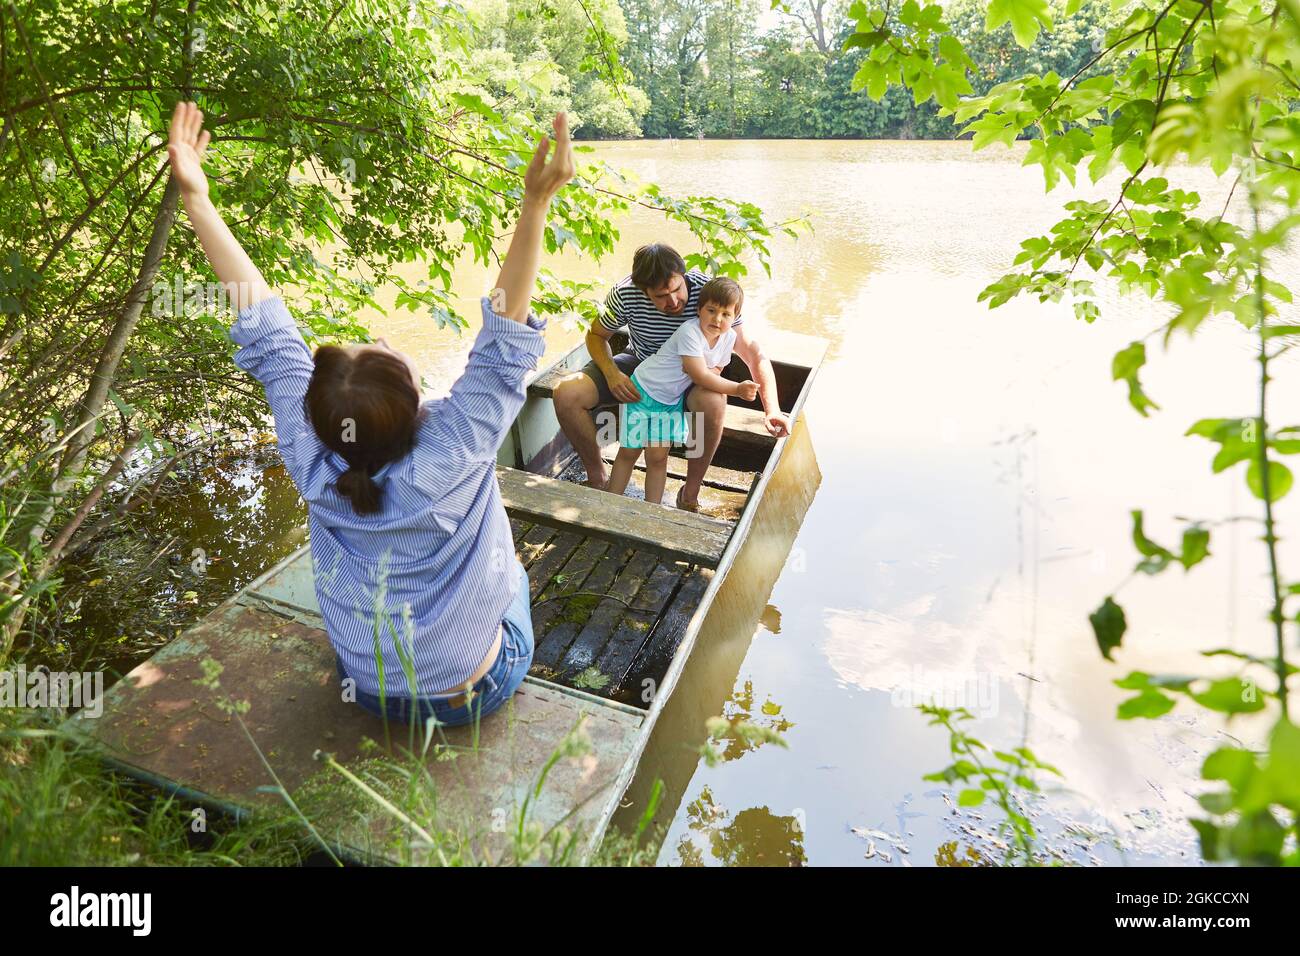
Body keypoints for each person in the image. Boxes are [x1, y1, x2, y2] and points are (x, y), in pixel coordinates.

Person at [165, 101, 576, 727]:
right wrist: (536, 203)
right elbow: (503, 335)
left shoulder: (312, 451)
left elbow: (269, 332)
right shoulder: (458, 444)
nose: (382, 340)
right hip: (468, 695)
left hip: (370, 684)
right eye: (381, 351)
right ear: (413, 396)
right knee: (512, 574)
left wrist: (197, 198)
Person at [552, 244, 791, 511]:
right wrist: (612, 374)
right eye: (661, 296)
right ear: (643, 291)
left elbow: (753, 354)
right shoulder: (624, 293)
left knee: (712, 403)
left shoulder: (710, 294)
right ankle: (598, 478)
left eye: (677, 289)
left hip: (688, 378)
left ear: (683, 275)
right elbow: (596, 335)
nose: (674, 301)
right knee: (566, 393)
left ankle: (689, 494)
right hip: (640, 365)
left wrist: (773, 409)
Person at [607, 278, 756, 508]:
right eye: (711, 310)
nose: (717, 319)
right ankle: (609, 504)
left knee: (657, 458)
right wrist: (736, 389)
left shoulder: (729, 339)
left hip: (669, 401)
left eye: (726, 314)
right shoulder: (690, 331)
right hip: (644, 390)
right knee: (630, 451)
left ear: (735, 317)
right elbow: (699, 375)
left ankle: (651, 512)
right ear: (699, 310)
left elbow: (715, 368)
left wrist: (721, 382)